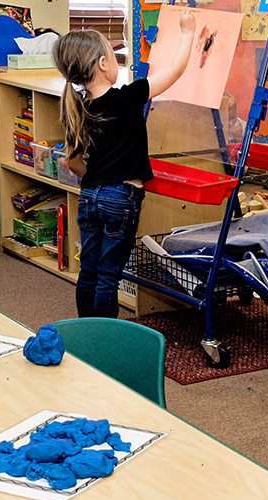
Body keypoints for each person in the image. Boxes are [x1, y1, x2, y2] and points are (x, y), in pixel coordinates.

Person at [51, 16, 199, 318]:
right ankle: (106, 337)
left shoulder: (77, 107)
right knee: (108, 276)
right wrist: (187, 32)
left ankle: (87, 333)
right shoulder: (128, 97)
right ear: (104, 64)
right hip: (121, 197)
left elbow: (73, 162)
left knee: (88, 271)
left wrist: (96, 180)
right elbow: (175, 71)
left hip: (90, 196)